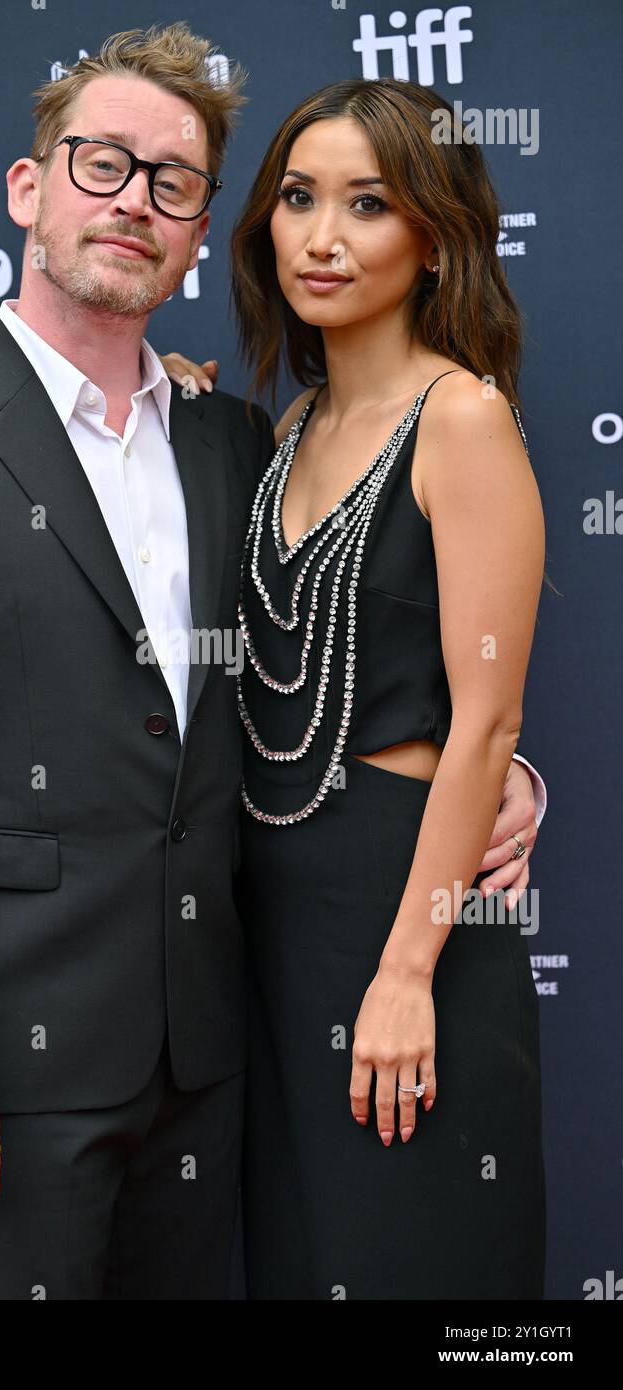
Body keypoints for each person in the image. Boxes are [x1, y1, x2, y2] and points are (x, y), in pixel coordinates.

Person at [0, 25, 545, 1300]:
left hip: (219, 1044)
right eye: (101, 165)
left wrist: (499, 775)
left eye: (175, 182)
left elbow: (391, 653)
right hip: (21, 1065)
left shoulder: (227, 439)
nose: (134, 202)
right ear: (29, 191)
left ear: (200, 234)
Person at [167, 76, 547, 1299]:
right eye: (295, 199)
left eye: (366, 204)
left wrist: (405, 969)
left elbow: (486, 717)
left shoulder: (462, 420)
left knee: (416, 1259)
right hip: (275, 921)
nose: (320, 237)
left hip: (406, 916)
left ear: (430, 239)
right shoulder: (280, 436)